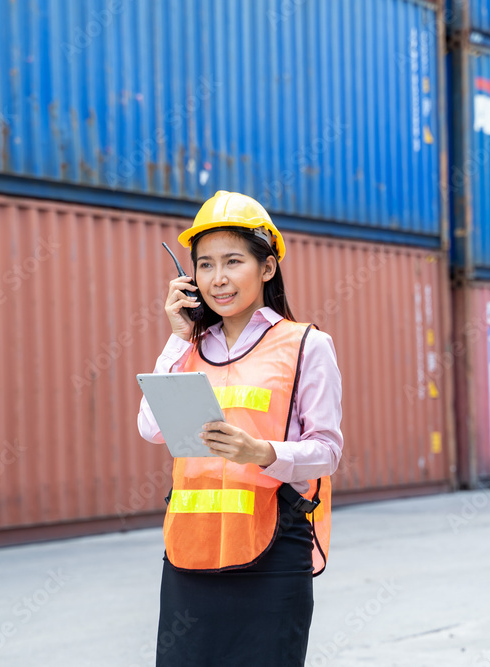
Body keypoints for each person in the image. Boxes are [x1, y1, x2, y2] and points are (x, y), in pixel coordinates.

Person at [136, 190, 344, 666]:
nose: (218, 279)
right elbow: (151, 427)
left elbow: (327, 451)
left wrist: (264, 452)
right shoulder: (188, 346)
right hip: (192, 550)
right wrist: (176, 336)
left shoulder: (305, 345)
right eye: (205, 265)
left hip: (273, 552)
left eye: (233, 261)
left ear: (267, 267)